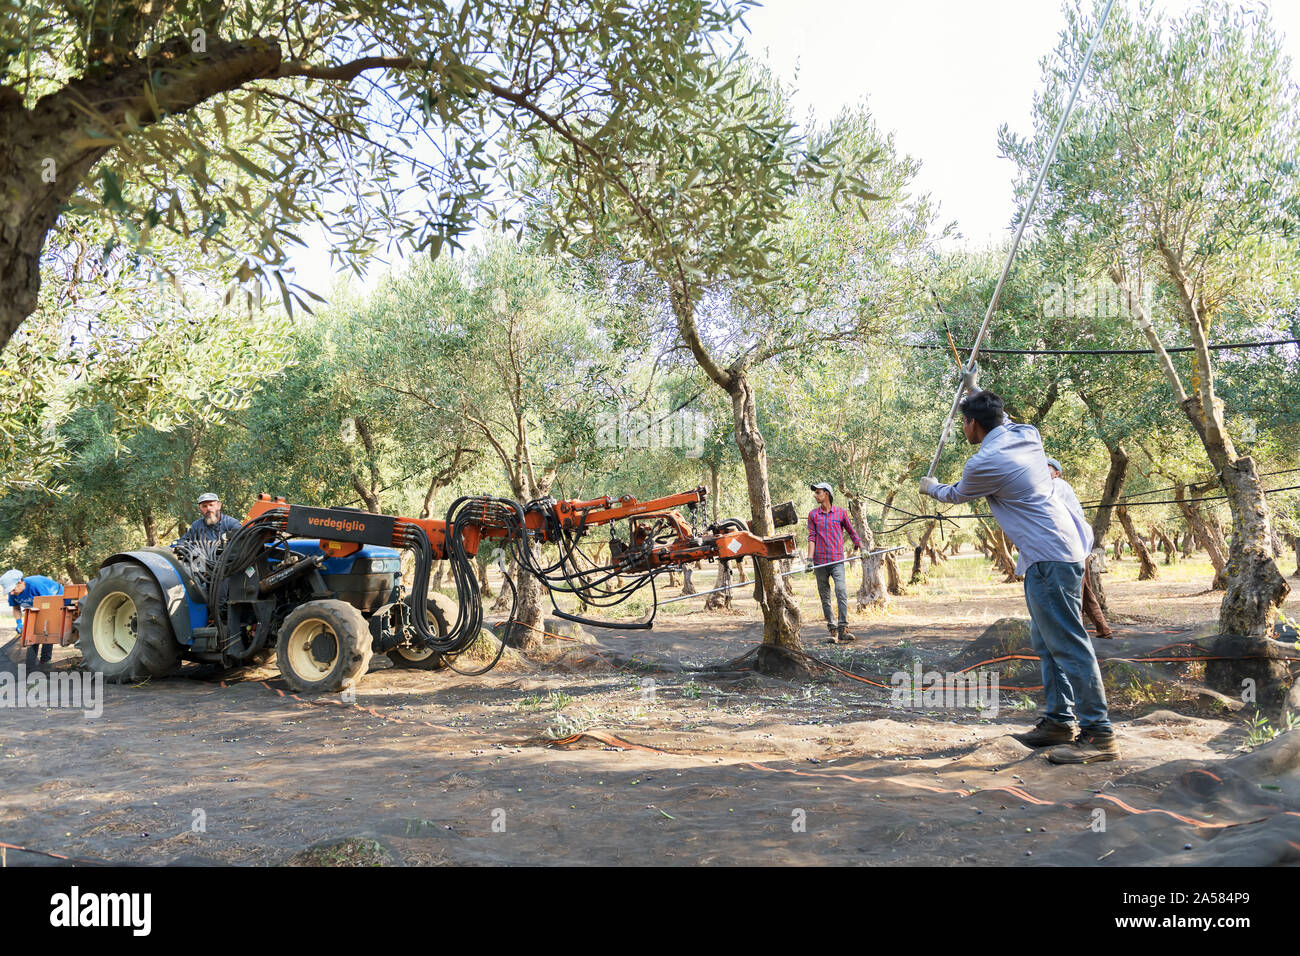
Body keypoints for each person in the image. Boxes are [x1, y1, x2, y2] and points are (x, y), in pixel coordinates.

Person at [920, 391, 1118, 764]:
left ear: (973, 424)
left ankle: (1099, 734)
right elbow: (1004, 418)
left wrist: (931, 487)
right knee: (1045, 641)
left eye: (965, 421)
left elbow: (957, 494)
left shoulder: (985, 463)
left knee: (1069, 645)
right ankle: (1059, 722)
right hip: (1054, 551)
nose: (963, 428)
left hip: (1049, 557)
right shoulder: (1028, 435)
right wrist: (974, 388)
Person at [1047, 457, 1113, 639]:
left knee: (1075, 592)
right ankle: (1103, 630)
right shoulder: (1056, 486)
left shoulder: (1058, 485)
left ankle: (1074, 634)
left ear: (1056, 473)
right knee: (1085, 592)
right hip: (1077, 547)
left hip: (1073, 548)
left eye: (1047, 468)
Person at [807, 482, 862, 644]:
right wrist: (810, 560)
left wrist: (860, 546)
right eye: (815, 493)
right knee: (825, 597)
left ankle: (843, 628)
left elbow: (852, 532)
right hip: (819, 563)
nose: (815, 495)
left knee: (841, 592)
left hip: (837, 560)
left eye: (818, 492)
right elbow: (811, 537)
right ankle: (833, 630)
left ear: (827, 494)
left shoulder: (841, 513)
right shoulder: (813, 515)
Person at [3, 569, 64, 671]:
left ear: (21, 582)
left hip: (57, 600)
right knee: (32, 631)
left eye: (13, 590)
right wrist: (19, 623)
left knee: (47, 630)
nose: (12, 593)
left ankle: (45, 662)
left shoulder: (36, 585)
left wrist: (41, 623)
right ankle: (30, 664)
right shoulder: (12, 593)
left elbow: (49, 606)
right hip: (37, 608)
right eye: (10, 591)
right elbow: (16, 608)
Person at [176, 492, 242, 546]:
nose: (208, 509)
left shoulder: (231, 523)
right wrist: (178, 547)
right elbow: (182, 541)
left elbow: (244, 540)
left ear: (219, 506)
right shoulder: (196, 525)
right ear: (199, 509)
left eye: (211, 505)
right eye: (204, 506)